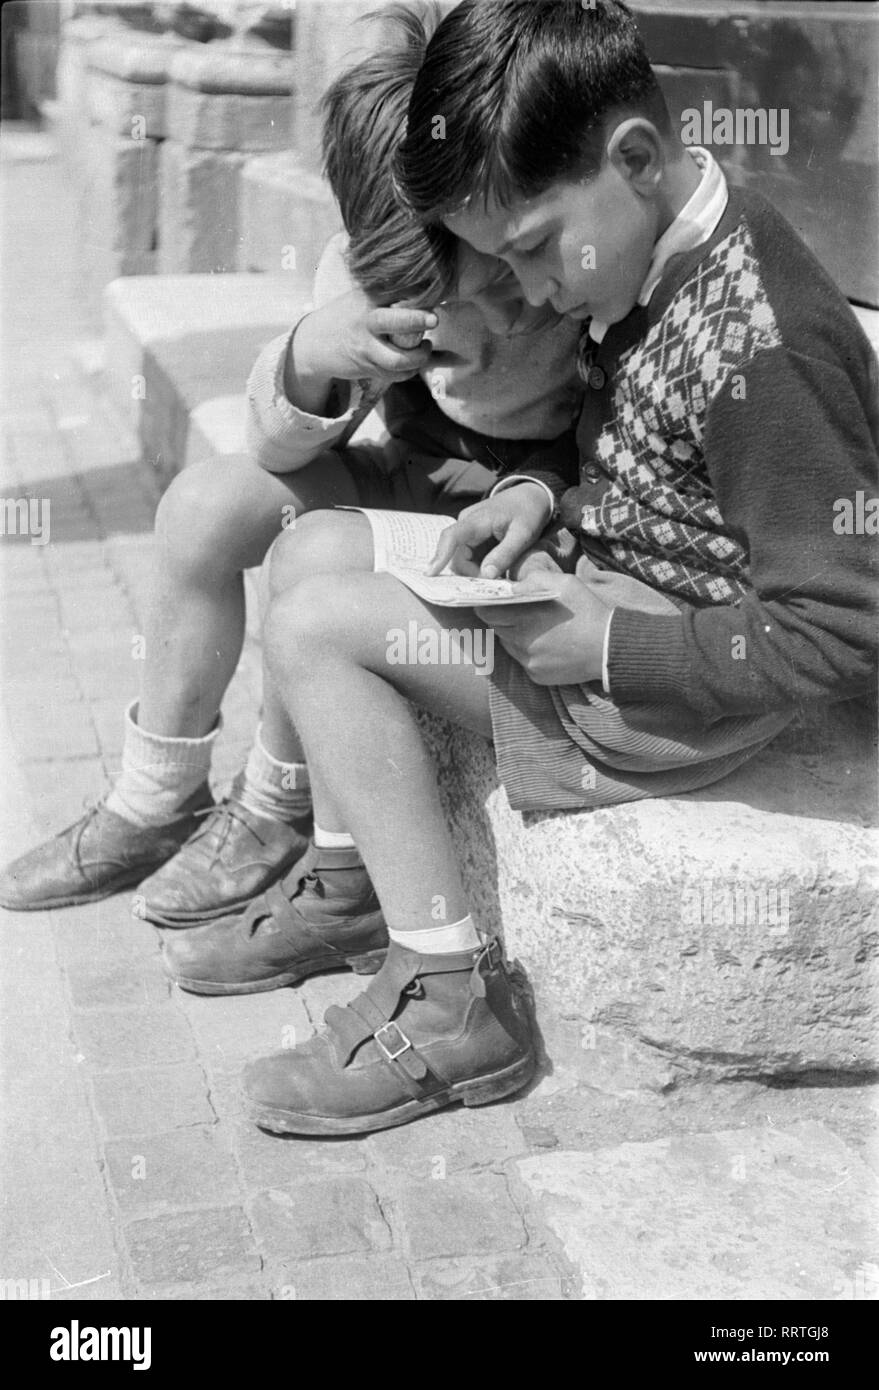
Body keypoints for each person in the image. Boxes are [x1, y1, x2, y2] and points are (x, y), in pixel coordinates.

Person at [182, 0, 875, 1137]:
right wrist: (533, 494)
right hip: (602, 596)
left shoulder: (765, 340)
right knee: (315, 549)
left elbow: (845, 622)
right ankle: (350, 872)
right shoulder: (645, 259)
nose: (536, 295)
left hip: (663, 695)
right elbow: (641, 462)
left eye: (537, 250)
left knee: (317, 628)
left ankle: (449, 995)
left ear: (637, 160)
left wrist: (602, 644)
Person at [0, 2, 580, 923]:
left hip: (505, 532)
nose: (503, 311)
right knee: (205, 507)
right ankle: (156, 796)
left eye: (499, 275)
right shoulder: (364, 277)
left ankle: (273, 807)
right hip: (419, 483)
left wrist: (536, 484)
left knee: (311, 548)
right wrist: (316, 353)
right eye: (454, 303)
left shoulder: (563, 280)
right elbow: (276, 448)